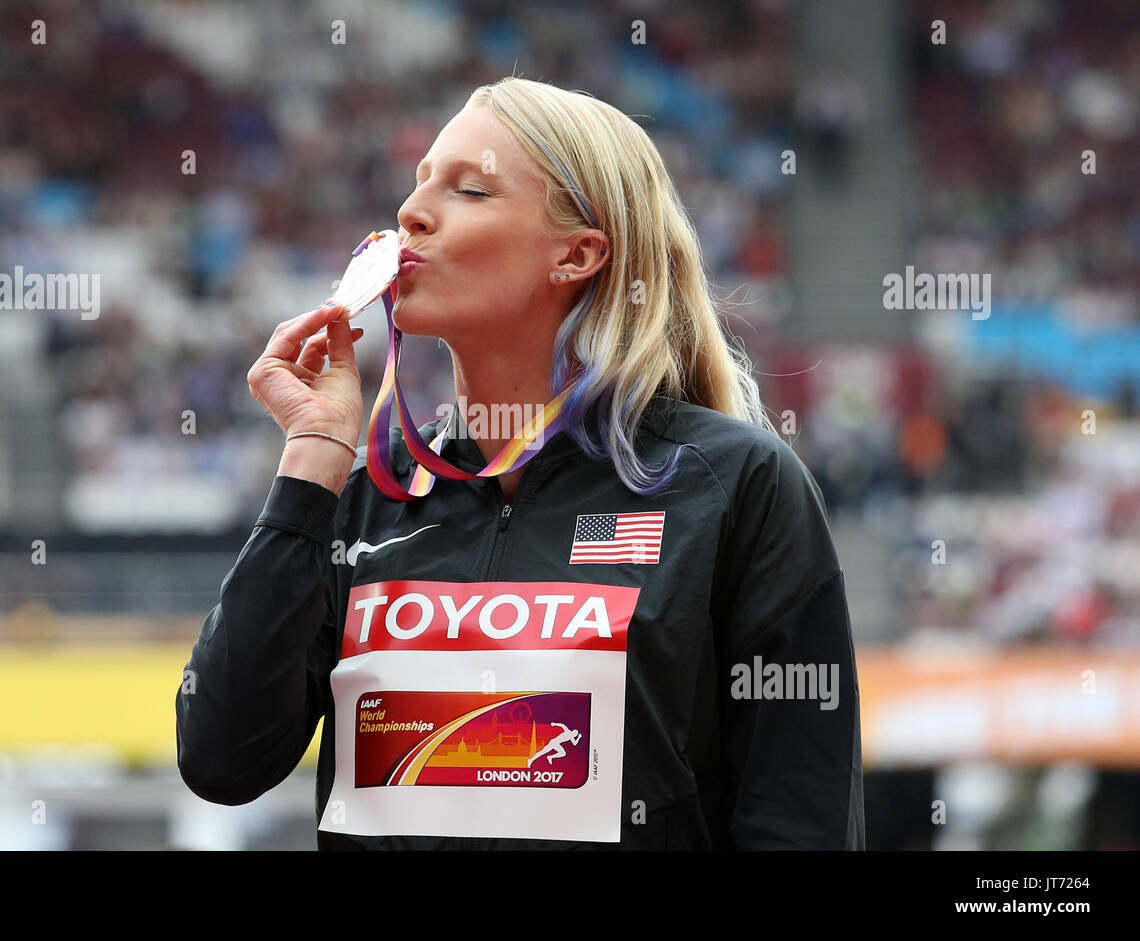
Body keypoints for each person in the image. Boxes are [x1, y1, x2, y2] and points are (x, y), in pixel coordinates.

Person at [175, 77, 865, 850]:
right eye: (417, 184)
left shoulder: (733, 485)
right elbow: (221, 761)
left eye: (470, 189)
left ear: (576, 253)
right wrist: (312, 457)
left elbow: (799, 819)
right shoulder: (364, 486)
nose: (410, 214)